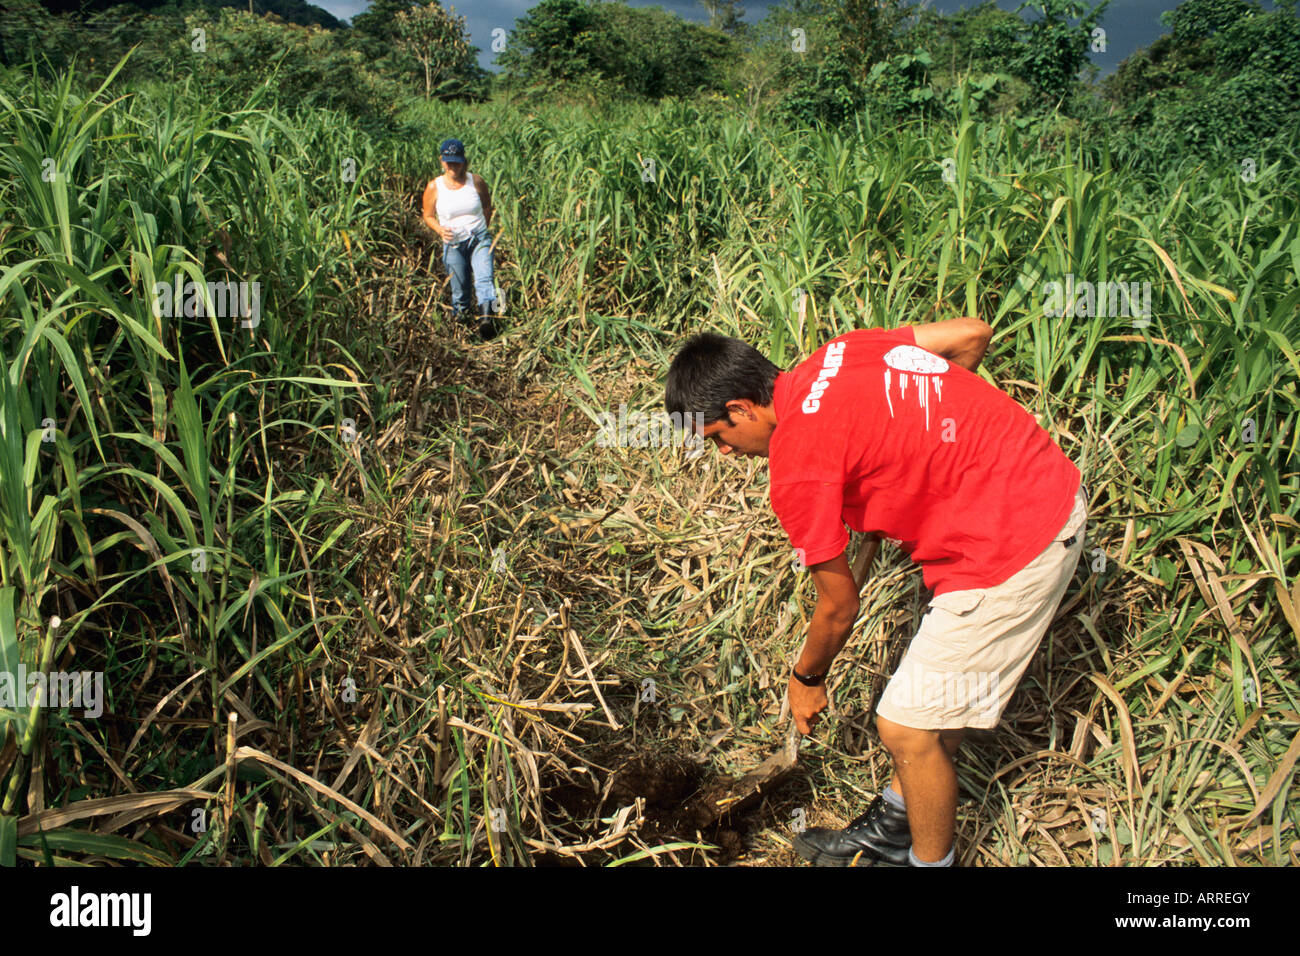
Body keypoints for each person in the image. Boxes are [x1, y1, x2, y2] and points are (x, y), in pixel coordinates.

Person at [663, 318, 1087, 867]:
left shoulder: (797, 467)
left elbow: (838, 607)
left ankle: (931, 863)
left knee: (906, 726)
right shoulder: (840, 354)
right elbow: (971, 335)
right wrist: (919, 450)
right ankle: (894, 825)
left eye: (718, 437)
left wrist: (806, 679)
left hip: (1016, 543)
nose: (725, 453)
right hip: (1045, 481)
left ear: (742, 409)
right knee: (931, 701)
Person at [421, 138, 499, 340]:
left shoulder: (476, 181)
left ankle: (487, 320)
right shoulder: (434, 187)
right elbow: (427, 215)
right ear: (442, 161)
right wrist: (439, 230)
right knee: (460, 288)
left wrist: (482, 229)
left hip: (479, 238)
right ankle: (462, 329)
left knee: (484, 278)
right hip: (453, 243)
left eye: (457, 161)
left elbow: (487, 207)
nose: (453, 166)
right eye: (449, 162)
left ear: (464, 161)